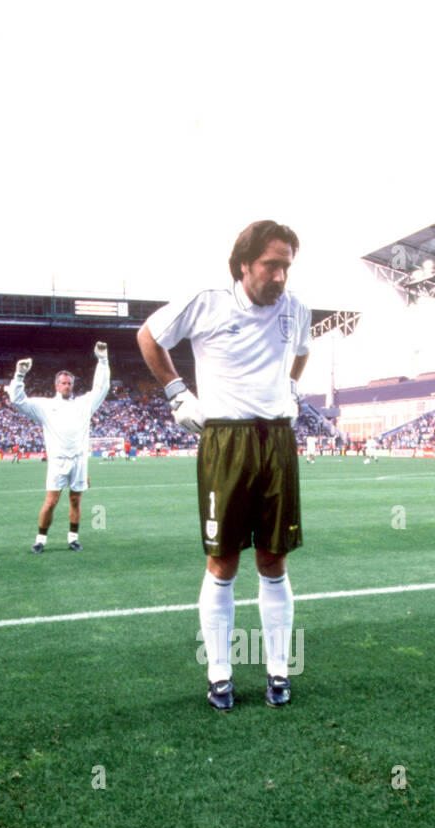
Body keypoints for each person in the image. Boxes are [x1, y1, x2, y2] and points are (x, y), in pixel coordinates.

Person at [136, 219, 311, 710]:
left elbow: (301, 351)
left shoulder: (296, 308)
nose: (280, 277)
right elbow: (149, 336)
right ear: (243, 266)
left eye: (287, 267)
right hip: (226, 442)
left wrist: (292, 389)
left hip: (277, 440)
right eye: (271, 265)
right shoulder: (208, 301)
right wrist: (176, 393)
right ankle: (219, 674)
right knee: (224, 561)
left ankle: (279, 670)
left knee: (273, 560)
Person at [5, 344, 110, 552]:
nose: (67, 385)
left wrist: (103, 361)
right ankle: (40, 540)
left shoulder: (84, 404)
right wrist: (19, 376)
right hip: (58, 462)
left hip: (79, 461)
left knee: (75, 500)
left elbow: (101, 388)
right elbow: (17, 400)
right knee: (51, 501)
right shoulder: (44, 407)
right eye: (63, 383)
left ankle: (73, 538)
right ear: (56, 386)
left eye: (69, 383)